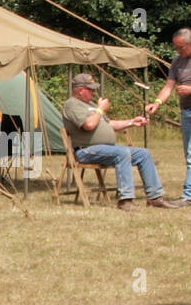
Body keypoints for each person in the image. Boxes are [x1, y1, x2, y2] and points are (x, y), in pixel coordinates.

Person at [61, 72, 178, 210]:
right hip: (86, 150)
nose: (94, 92)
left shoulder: (91, 104)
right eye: (91, 89)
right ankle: (125, 200)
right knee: (122, 153)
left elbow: (110, 124)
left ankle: (155, 198)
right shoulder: (72, 105)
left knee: (144, 154)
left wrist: (132, 122)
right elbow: (89, 125)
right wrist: (100, 110)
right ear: (80, 90)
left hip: (106, 149)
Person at [143, 27, 191, 205]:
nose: (178, 51)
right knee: (189, 154)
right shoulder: (177, 61)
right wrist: (157, 103)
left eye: (181, 47)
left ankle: (188, 196)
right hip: (187, 112)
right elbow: (169, 86)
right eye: (176, 47)